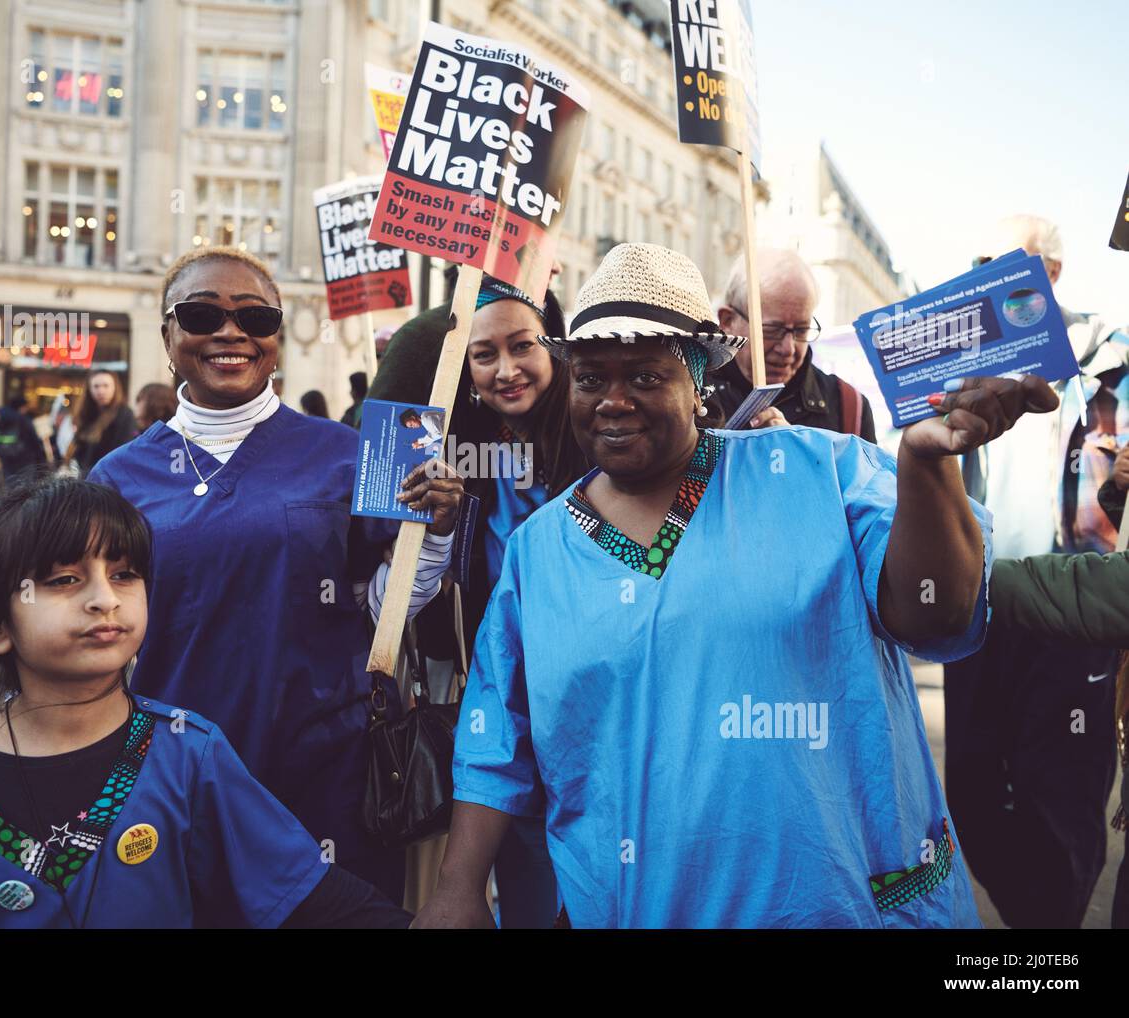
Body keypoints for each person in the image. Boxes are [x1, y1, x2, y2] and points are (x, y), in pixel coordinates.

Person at [413, 243, 1058, 929]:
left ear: (698, 385)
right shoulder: (538, 550)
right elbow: (494, 737)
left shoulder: (824, 472)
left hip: (837, 906)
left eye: (644, 376)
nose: (613, 401)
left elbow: (936, 612)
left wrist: (928, 467)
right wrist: (458, 887)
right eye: (591, 377)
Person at [0, 476, 412, 928]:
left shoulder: (189, 754)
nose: (104, 600)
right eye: (64, 580)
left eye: (125, 574)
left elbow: (308, 898)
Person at [86, 246, 464, 901]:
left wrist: (432, 535)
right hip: (171, 768)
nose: (231, 333)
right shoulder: (117, 477)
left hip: (325, 767)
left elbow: (387, 608)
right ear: (168, 337)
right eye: (202, 315)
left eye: (256, 318)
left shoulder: (350, 453)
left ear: (278, 338)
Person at [945, 214, 1129, 929]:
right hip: (982, 605)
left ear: (1048, 275)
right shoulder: (967, 362)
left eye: (1005, 264)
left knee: (1065, 800)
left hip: (1074, 612)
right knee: (969, 789)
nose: (988, 279)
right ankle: (1035, 919)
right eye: (983, 262)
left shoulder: (1109, 361)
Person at [710, 248, 877, 441]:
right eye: (772, 329)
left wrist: (798, 455)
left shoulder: (849, 407)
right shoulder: (689, 396)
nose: (788, 349)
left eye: (800, 330)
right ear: (728, 321)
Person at [65, 371, 139, 479]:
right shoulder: (86, 414)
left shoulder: (124, 414)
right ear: (89, 389)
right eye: (96, 386)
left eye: (106, 386)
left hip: (109, 480)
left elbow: (121, 452)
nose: (101, 391)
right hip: (86, 478)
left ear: (115, 387)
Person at [0, 395, 47, 482]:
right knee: (26, 487)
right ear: (22, 407)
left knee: (11, 485)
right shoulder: (23, 420)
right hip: (25, 460)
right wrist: (41, 458)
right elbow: (34, 440)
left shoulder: (1, 419)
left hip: (6, 459)